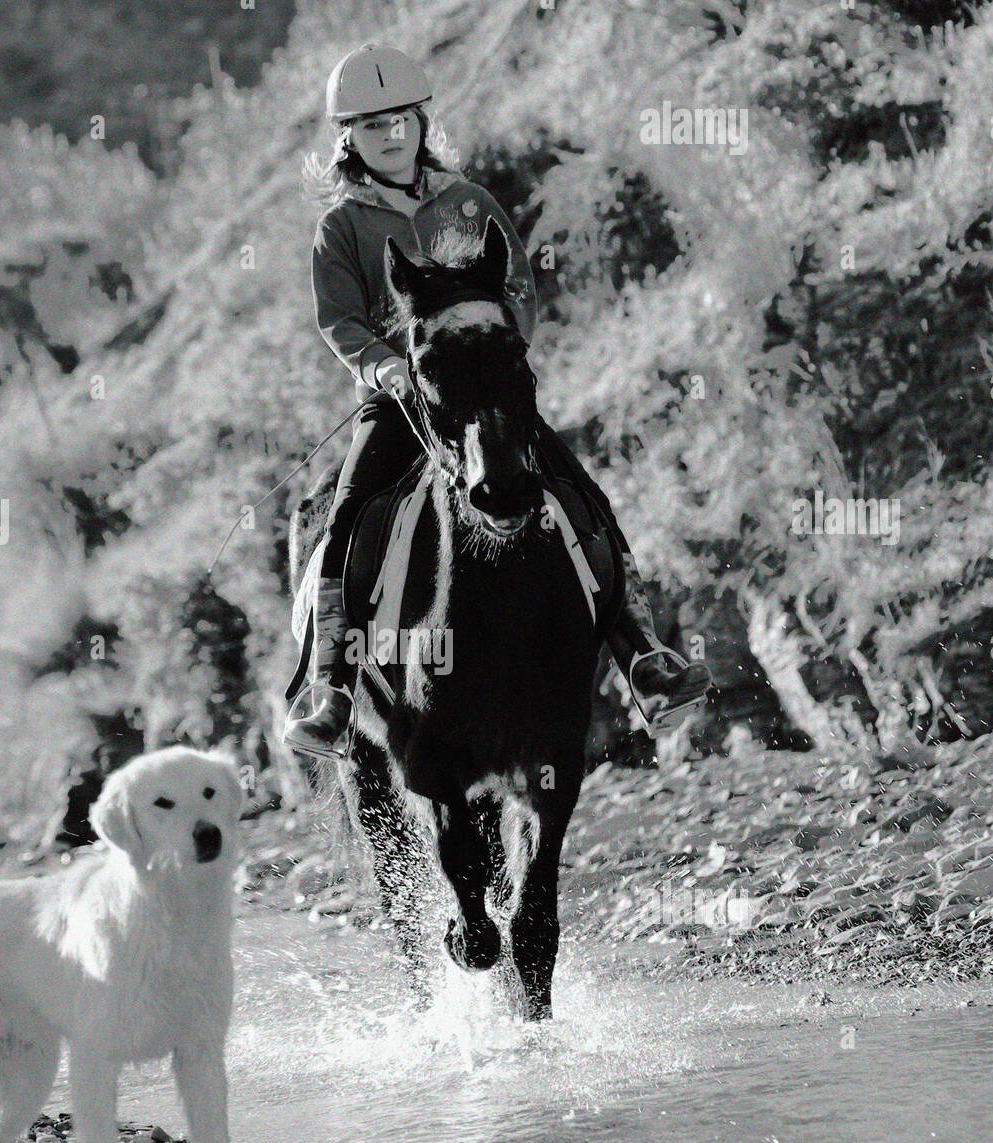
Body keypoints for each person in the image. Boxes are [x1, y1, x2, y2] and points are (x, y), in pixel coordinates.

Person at [284, 42, 711, 758]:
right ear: (348, 138)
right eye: (372, 125)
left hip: (484, 394)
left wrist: (501, 353)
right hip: (398, 402)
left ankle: (645, 659)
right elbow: (341, 322)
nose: (392, 135)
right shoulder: (342, 226)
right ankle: (329, 685)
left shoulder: (470, 202)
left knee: (583, 496)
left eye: (401, 120)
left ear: (421, 123)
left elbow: (517, 289)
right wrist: (387, 369)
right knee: (350, 518)